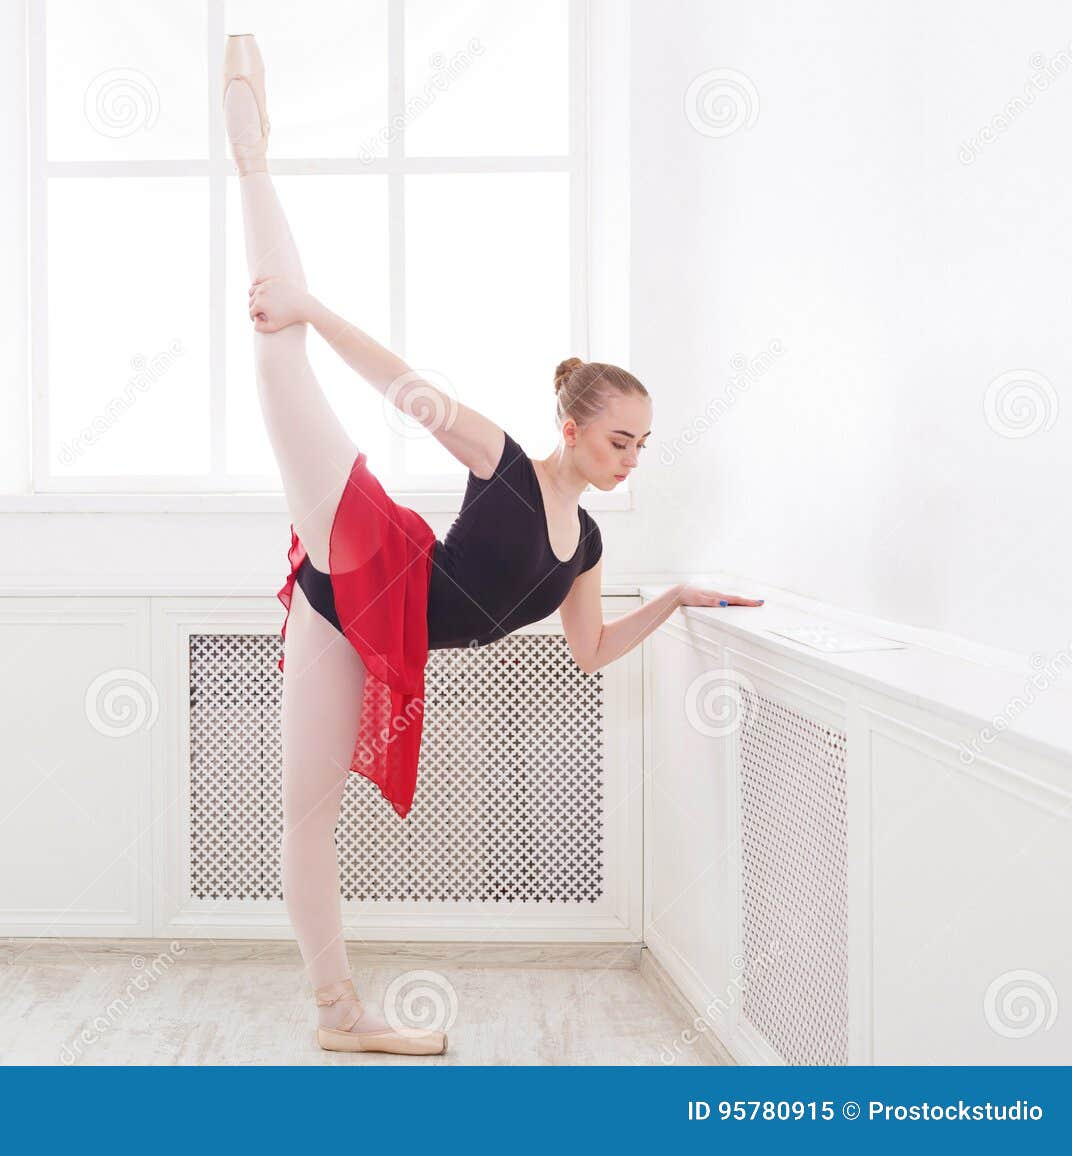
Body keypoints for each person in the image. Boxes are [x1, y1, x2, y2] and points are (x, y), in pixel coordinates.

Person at [222, 33, 760, 1056]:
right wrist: (309, 305)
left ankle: (338, 1019)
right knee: (280, 355)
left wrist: (677, 599)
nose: (629, 458)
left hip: (365, 631)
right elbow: (402, 384)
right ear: (572, 427)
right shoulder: (506, 463)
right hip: (367, 555)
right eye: (617, 438)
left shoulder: (588, 544)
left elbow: (590, 652)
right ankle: (253, 157)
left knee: (305, 818)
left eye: (642, 445)